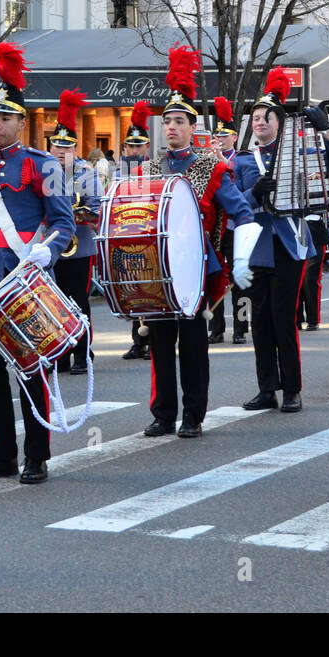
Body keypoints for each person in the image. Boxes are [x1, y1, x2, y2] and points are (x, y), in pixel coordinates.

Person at [0, 42, 74, 484]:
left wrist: (48, 251)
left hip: (26, 282)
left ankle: (36, 456)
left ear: (22, 122)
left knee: (31, 371)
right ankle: (0, 454)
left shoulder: (46, 165)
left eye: (4, 118)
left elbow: (64, 224)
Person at [137, 46, 257, 438]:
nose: (170, 127)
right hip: (157, 268)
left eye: (178, 122)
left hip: (194, 268)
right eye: (167, 121)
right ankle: (162, 414)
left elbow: (243, 214)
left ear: (193, 128)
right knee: (158, 342)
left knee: (191, 345)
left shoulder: (213, 166)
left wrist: (240, 260)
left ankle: (193, 414)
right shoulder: (149, 169)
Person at [235, 69, 329, 413]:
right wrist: (253, 193)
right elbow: (235, 203)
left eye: (266, 118)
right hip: (257, 249)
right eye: (255, 118)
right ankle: (266, 388)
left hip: (290, 245)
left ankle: (292, 390)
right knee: (260, 322)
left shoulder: (303, 152)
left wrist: (326, 128)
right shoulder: (241, 160)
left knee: (284, 320)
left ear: (280, 123)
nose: (260, 123)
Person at [48, 90, 99, 376]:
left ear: (75, 149)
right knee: (54, 302)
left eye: (66, 146)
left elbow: (95, 208)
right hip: (53, 247)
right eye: (56, 145)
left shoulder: (86, 172)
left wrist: (72, 215)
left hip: (80, 246)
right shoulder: (42, 169)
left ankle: (83, 353)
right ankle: (61, 354)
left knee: (78, 301)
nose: (60, 151)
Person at [207, 96, 248, 345]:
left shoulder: (243, 160)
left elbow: (243, 195)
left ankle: (242, 326)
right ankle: (216, 328)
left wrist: (226, 168)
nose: (220, 140)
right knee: (215, 278)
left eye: (225, 136)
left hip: (234, 228)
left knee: (240, 280)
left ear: (234, 137)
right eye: (217, 136)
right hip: (215, 229)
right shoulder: (207, 160)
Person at [116, 101, 154, 360]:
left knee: (151, 290)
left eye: (139, 145)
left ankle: (153, 340)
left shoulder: (155, 169)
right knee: (132, 290)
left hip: (149, 234)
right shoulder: (119, 171)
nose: (135, 150)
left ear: (147, 147)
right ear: (125, 147)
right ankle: (137, 341)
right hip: (126, 234)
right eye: (131, 145)